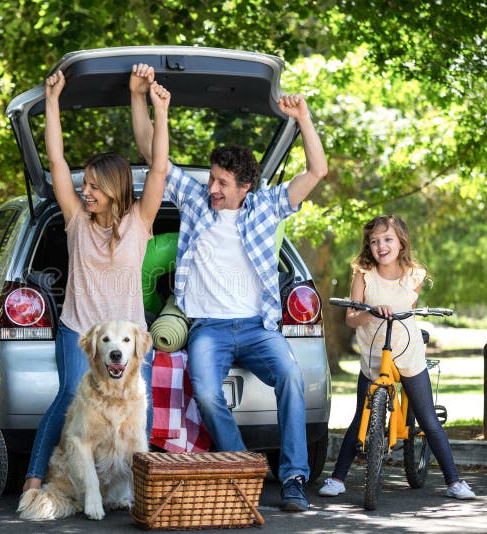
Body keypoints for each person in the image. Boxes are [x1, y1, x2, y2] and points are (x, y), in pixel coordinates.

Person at [131, 63, 328, 512]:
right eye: (213, 179)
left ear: (245, 186)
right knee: (204, 390)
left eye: (222, 182)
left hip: (258, 327)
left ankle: (294, 477)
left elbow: (317, 170)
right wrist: (139, 97)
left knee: (292, 380)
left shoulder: (267, 206)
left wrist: (303, 117)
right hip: (209, 329)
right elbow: (150, 153)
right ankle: (242, 465)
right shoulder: (196, 202)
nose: (213, 187)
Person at [21, 66, 171, 493]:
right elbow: (56, 161)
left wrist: (159, 111)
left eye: (93, 186)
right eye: (84, 184)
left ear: (113, 187)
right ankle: (35, 479)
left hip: (128, 336)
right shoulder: (75, 220)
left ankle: (136, 487)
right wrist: (51, 101)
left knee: (136, 409)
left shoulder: (139, 221)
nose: (85, 191)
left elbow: (158, 169)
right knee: (71, 395)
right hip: (78, 330)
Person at [318, 214, 476, 500]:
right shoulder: (362, 273)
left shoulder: (414, 275)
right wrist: (372, 309)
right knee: (361, 418)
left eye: (388, 239)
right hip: (374, 355)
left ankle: (454, 481)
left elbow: (408, 311)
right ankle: (338, 477)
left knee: (428, 418)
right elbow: (352, 318)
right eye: (375, 241)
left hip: (407, 352)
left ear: (401, 242)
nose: (381, 246)